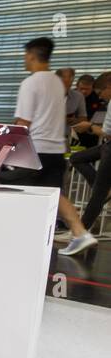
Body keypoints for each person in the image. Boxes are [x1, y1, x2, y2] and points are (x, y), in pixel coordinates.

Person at [0, 38, 95, 256]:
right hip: (56, 150)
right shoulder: (57, 83)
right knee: (55, 194)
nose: (24, 59)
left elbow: (23, 123)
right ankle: (80, 233)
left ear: (31, 55)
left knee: (6, 184)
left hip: (35, 149)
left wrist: (7, 149)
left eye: (25, 55)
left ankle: (8, 237)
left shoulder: (30, 83)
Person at [67, 71, 111, 235]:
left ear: (108, 87)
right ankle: (103, 188)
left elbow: (107, 133)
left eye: (100, 92)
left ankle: (81, 233)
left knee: (98, 193)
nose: (101, 96)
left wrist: (89, 126)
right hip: (106, 146)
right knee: (77, 158)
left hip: (109, 146)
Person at [57, 67, 90, 145]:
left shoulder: (78, 96)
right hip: (47, 136)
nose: (68, 81)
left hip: (67, 137)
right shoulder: (46, 95)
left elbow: (84, 118)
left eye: (70, 79)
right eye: (64, 78)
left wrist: (75, 120)